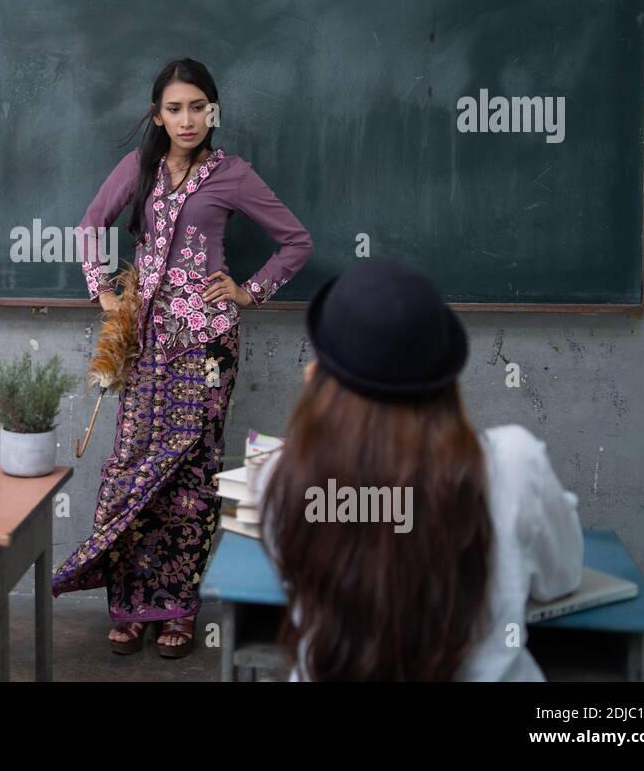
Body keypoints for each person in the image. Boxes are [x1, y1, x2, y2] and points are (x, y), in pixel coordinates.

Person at [53, 57, 314, 657]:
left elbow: (297, 241)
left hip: (206, 347)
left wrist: (250, 291)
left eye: (198, 106)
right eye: (175, 108)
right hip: (144, 344)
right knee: (130, 462)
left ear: (212, 111)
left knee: (191, 476)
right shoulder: (138, 168)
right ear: (158, 114)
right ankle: (128, 606)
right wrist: (106, 293)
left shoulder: (232, 174)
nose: (188, 119)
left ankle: (178, 610)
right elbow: (91, 224)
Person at [260, 257, 583, 680]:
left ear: (321, 379)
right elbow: (561, 578)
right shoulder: (513, 463)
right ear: (444, 376)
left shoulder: (287, 477)